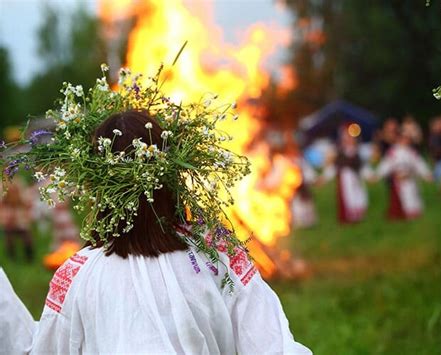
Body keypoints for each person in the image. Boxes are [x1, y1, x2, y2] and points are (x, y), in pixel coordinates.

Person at [0, 68, 310, 354]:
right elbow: (272, 345)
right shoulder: (216, 256)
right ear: (170, 176)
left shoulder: (79, 275)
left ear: (97, 187)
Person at [376, 128, 432, 220]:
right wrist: (378, 175)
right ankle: (401, 214)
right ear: (399, 139)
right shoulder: (393, 152)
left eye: (407, 138)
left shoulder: (412, 152)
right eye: (403, 138)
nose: (405, 140)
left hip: (409, 179)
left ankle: (412, 213)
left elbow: (419, 164)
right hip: (398, 180)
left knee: (411, 196)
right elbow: (386, 164)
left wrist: (426, 174)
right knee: (400, 198)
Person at [320, 126, 370, 224]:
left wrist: (370, 175)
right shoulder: (340, 153)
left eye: (351, 138)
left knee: (359, 195)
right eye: (346, 138)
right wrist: (324, 178)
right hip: (345, 178)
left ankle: (359, 215)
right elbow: (334, 167)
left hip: (356, 177)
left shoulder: (358, 152)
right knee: (348, 196)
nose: (349, 140)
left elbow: (363, 166)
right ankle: (350, 216)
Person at [0, 176, 34, 262]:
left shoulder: (19, 181)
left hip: (19, 212)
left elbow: (25, 199)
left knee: (26, 236)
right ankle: (12, 257)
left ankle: (29, 257)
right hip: (8, 213)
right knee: (9, 237)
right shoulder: (2, 183)